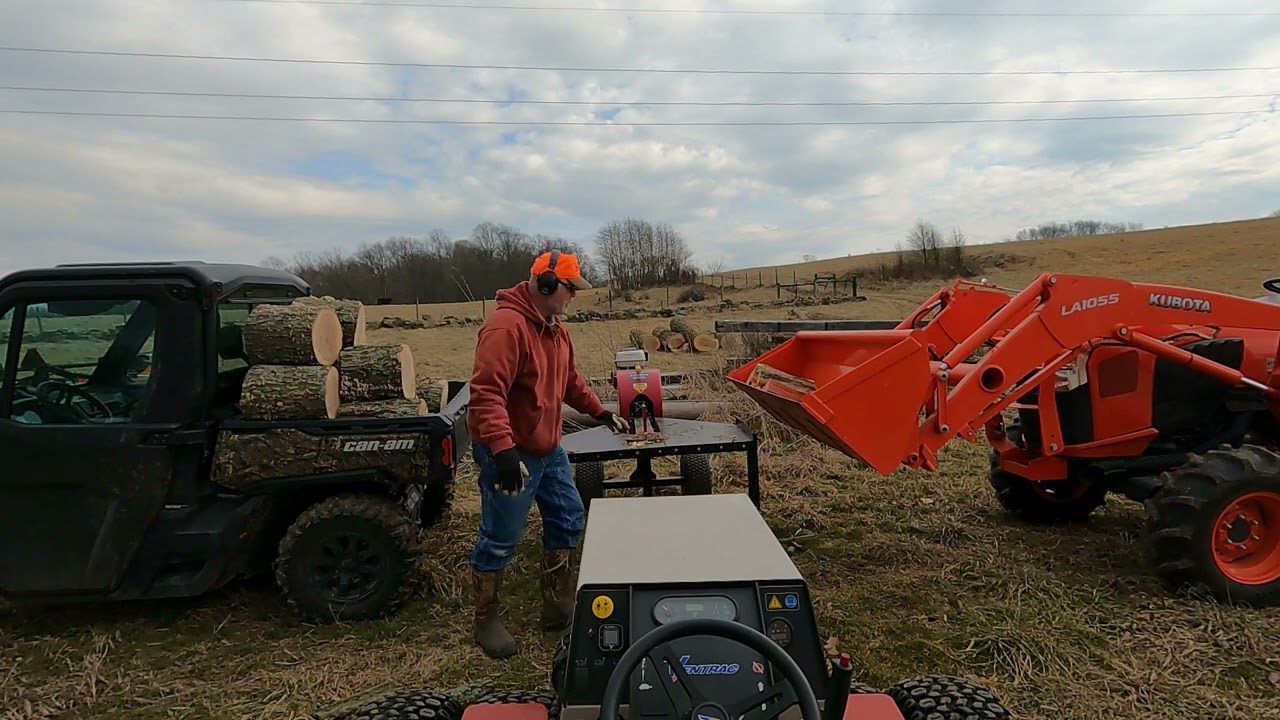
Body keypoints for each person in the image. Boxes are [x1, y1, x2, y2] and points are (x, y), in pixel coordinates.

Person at [466, 249, 629, 659]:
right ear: (546, 285)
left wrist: (599, 412)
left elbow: (569, 380)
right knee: (501, 537)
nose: (573, 297)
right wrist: (503, 452)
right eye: (570, 289)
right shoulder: (506, 328)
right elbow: (486, 395)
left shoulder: (556, 329)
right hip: (510, 450)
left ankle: (557, 605)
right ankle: (485, 617)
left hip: (548, 447)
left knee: (569, 517)